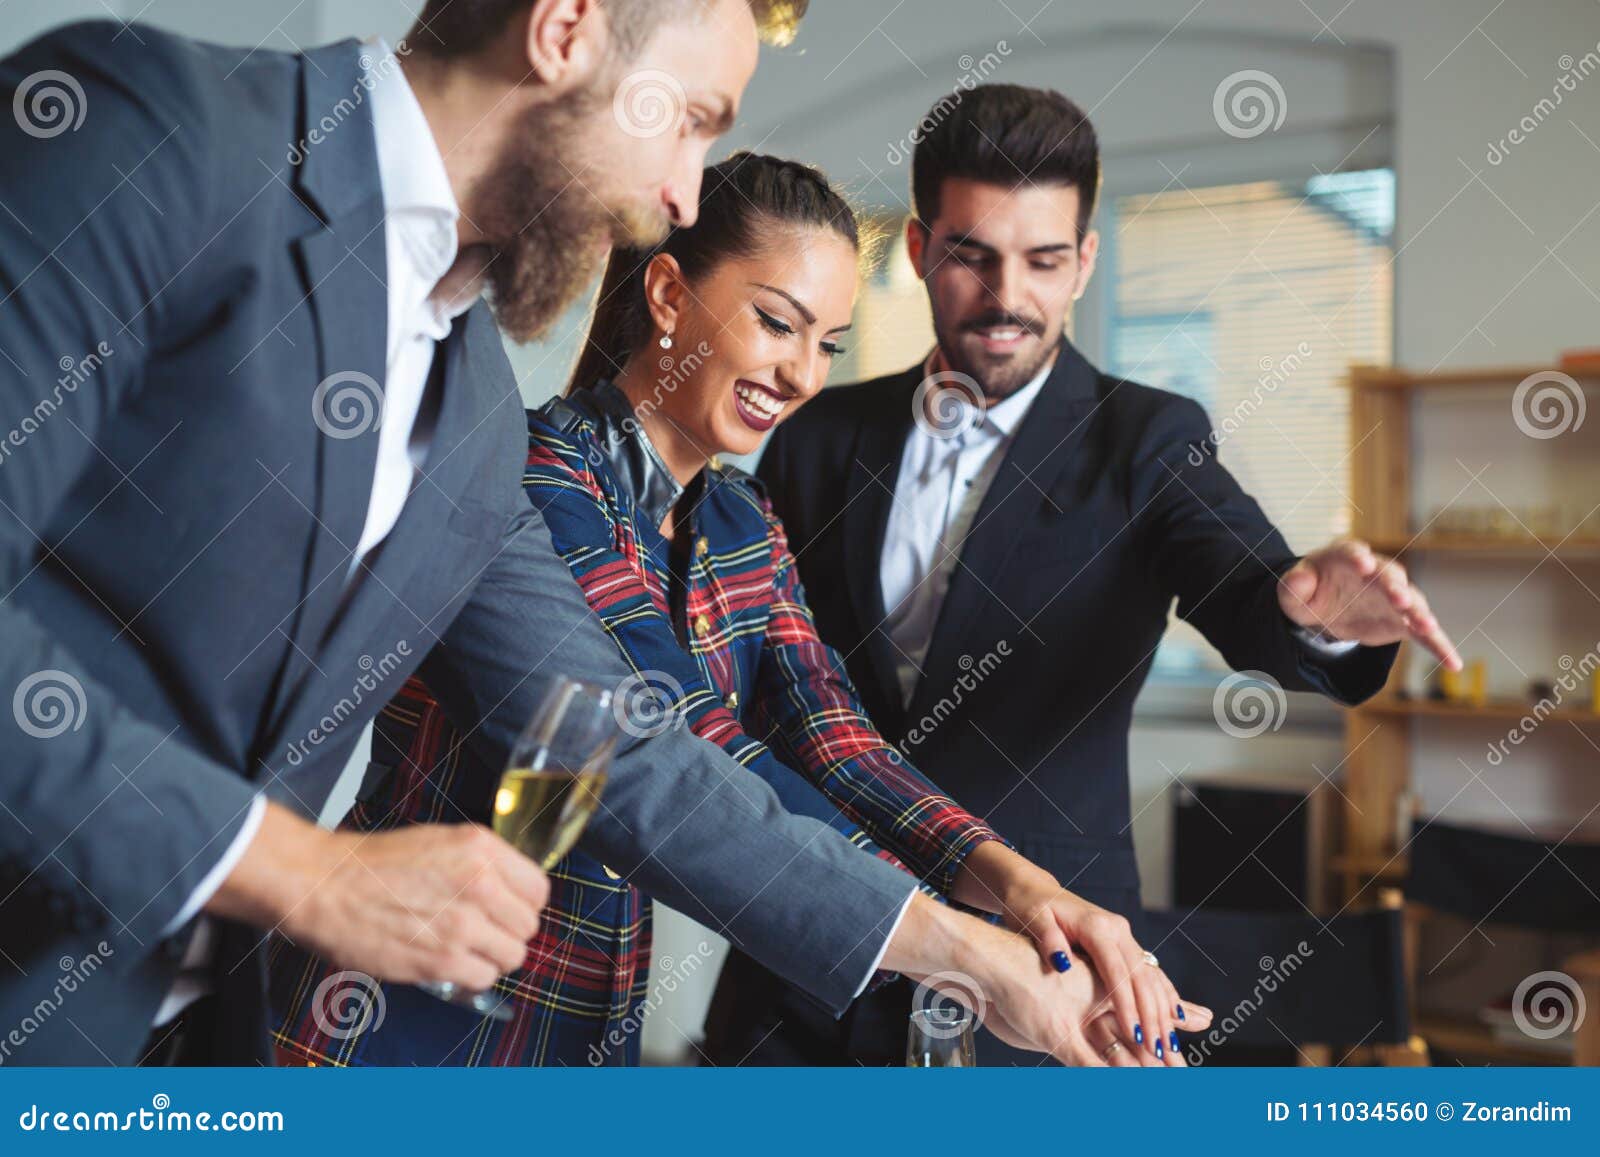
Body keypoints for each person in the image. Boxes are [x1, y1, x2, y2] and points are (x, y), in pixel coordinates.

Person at [0, 1, 1075, 1068]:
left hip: (160, 1049)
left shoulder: (467, 403)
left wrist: (974, 951)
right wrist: (306, 872)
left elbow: (618, 749)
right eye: (690, 118)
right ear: (563, 30)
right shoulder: (144, 122)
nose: (681, 195)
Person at [271, 152, 1214, 1068]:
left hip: (580, 1022)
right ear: (671, 294)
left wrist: (1026, 888)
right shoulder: (531, 476)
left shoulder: (743, 521)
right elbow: (689, 743)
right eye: (777, 323)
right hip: (392, 1020)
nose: (805, 374)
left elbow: (838, 742)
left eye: (828, 344)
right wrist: (972, 948)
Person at [702, 83, 1462, 1067]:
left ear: (1083, 262)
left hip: (1045, 968)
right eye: (973, 255)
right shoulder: (813, 432)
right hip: (805, 956)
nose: (1007, 295)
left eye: (1043, 260)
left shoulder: (1147, 439)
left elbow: (1244, 583)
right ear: (924, 248)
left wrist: (1317, 616)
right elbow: (769, 675)